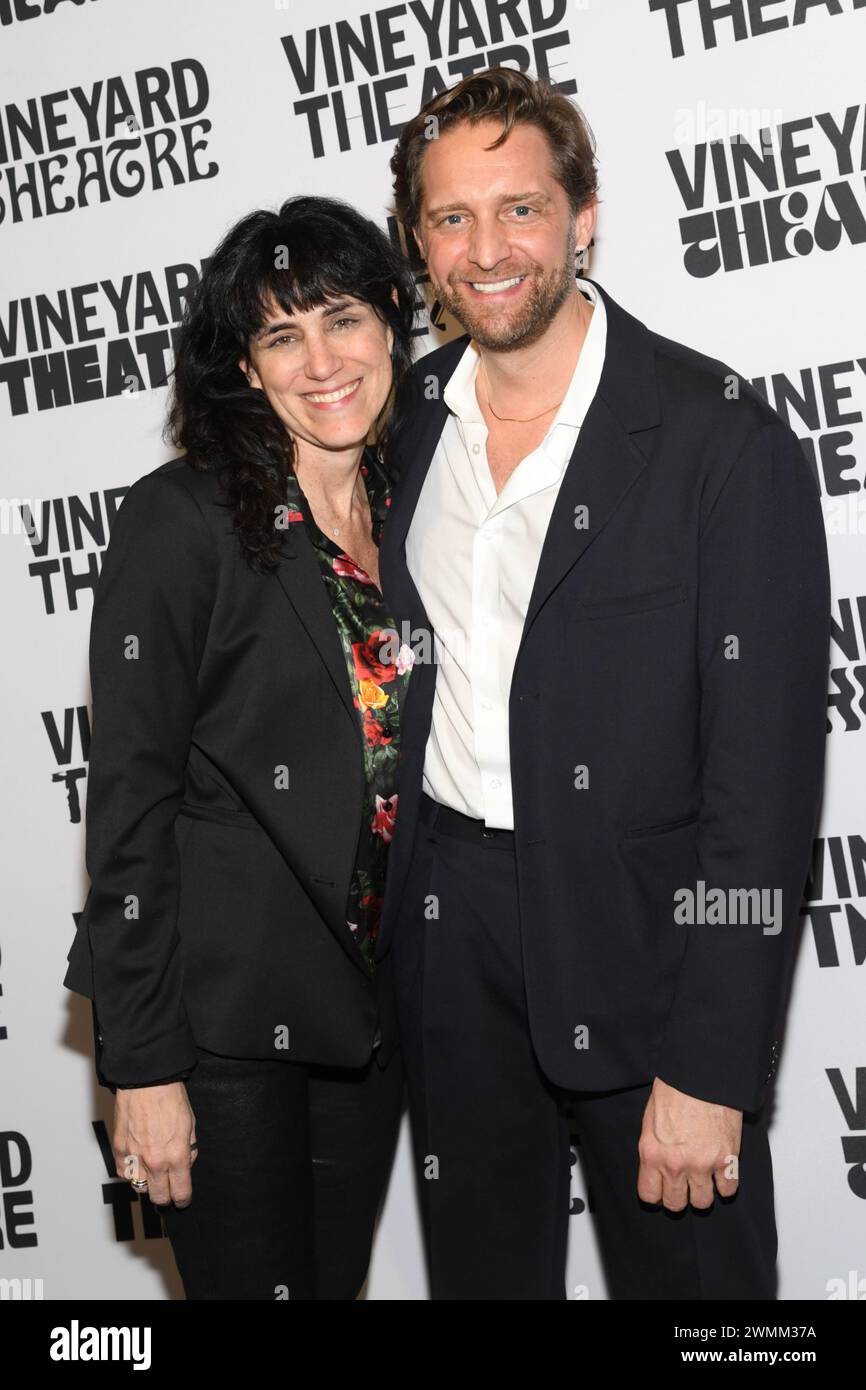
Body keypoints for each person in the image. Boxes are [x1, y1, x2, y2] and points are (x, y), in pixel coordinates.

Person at [375, 67, 831, 1299]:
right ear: (419, 240)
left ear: (584, 216)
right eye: (451, 218)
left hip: (652, 951)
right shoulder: (400, 425)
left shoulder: (715, 436)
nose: (486, 250)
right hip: (450, 942)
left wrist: (714, 1061)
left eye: (519, 209)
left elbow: (764, 790)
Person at [63, 195, 418, 1300]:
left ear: (392, 331)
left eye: (343, 318)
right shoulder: (183, 519)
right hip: (219, 1029)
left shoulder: (415, 510)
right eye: (280, 334)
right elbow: (127, 808)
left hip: (364, 1014)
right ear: (245, 368)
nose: (322, 359)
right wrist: (146, 1065)